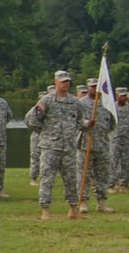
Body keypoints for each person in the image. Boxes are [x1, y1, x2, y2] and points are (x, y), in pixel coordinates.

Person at [25, 70, 88, 220]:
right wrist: (46, 133)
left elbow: (80, 121)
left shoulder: (75, 102)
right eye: (63, 81)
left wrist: (87, 124)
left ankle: (73, 209)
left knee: (71, 179)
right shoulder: (47, 100)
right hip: (50, 148)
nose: (66, 84)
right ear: (56, 82)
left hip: (69, 148)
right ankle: (46, 210)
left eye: (67, 81)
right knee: (47, 179)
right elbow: (32, 120)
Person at [77, 80, 114, 213]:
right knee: (84, 175)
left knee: (102, 176)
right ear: (88, 88)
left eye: (97, 86)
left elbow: (112, 123)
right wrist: (87, 123)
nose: (95, 89)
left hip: (102, 144)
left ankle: (101, 203)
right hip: (86, 144)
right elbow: (76, 121)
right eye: (92, 87)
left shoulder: (107, 103)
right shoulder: (81, 103)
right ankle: (83, 202)